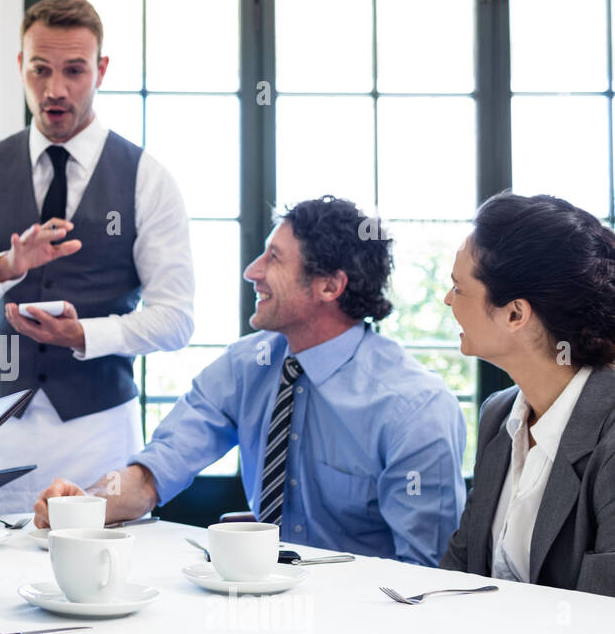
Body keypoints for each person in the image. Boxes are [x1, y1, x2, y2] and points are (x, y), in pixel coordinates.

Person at [34, 196, 467, 568]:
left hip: (369, 627)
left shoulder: (414, 408)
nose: (252, 271)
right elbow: (155, 472)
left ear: (330, 286)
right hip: (258, 605)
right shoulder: (247, 365)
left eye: (274, 258)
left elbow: (428, 577)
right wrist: (84, 504)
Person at [0, 0, 195, 512]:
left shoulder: (147, 178)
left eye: (75, 70)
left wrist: (85, 334)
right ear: (19, 66)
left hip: (99, 432)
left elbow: (177, 320)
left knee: (94, 577)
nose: (55, 90)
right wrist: (7, 266)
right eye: (40, 70)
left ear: (101, 70)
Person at [440, 192, 615, 595]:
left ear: (515, 314)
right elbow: (458, 575)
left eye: (459, 289)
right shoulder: (498, 416)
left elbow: (605, 618)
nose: (448, 300)